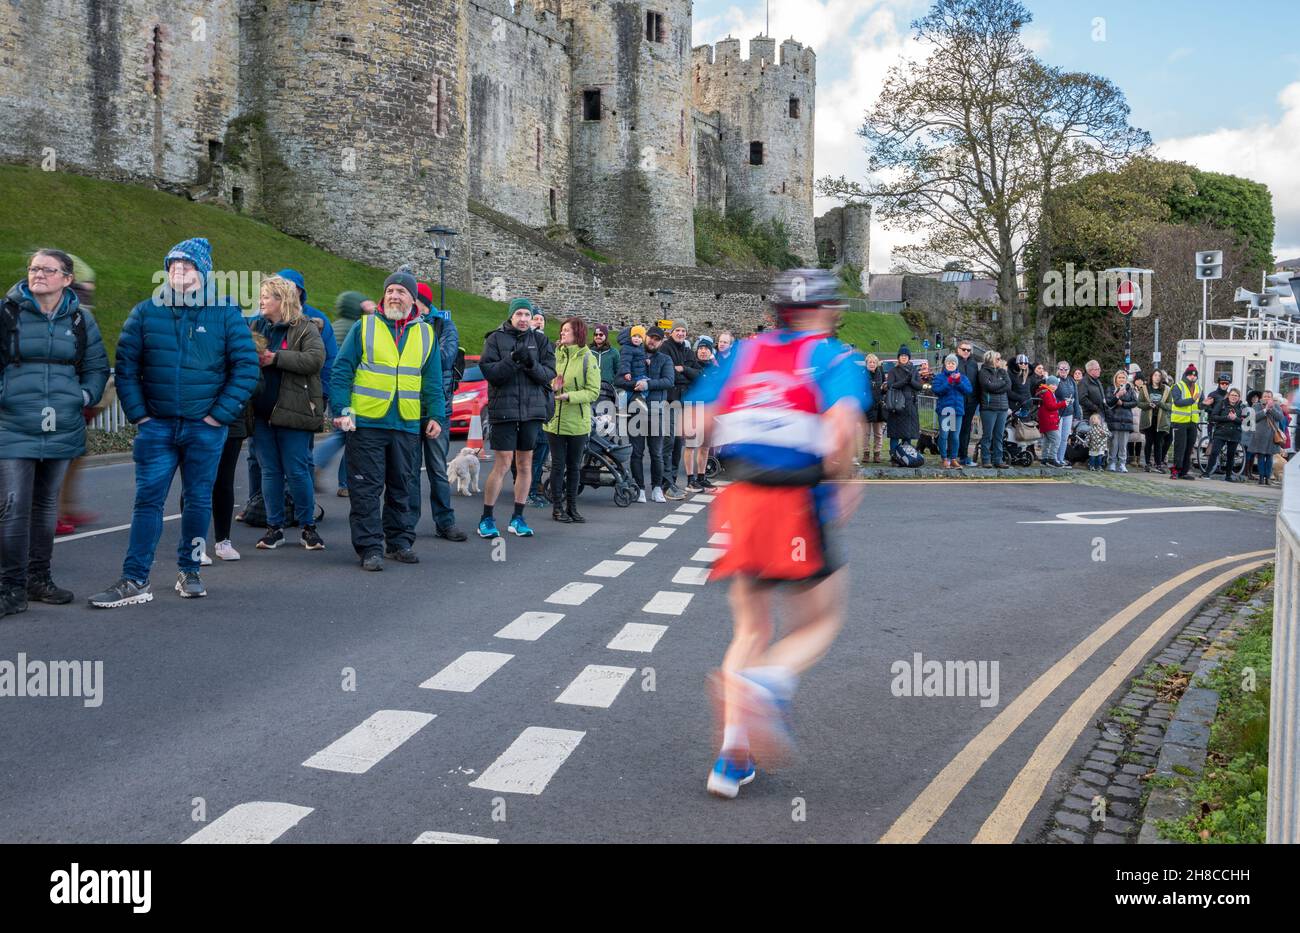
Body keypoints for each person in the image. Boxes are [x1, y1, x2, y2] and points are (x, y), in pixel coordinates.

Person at [689, 269, 867, 799]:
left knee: (749, 629)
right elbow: (839, 430)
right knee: (822, 618)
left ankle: (731, 758)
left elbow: (694, 423)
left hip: (738, 499)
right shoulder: (833, 357)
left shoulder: (742, 353)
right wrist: (844, 477)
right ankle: (766, 686)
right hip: (795, 502)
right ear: (823, 311)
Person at [89, 238, 258, 607]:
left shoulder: (225, 313)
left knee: (198, 501)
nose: (179, 270)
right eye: (173, 265)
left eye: (188, 265)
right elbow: (127, 367)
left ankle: (190, 570)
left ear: (203, 271)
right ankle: (135, 579)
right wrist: (141, 415)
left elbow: (246, 367)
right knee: (147, 500)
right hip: (158, 426)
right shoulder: (146, 312)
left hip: (205, 427)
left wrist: (219, 415)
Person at [1, 249, 109, 615]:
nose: (38, 275)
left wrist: (82, 395)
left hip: (60, 423)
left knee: (46, 505)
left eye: (48, 270)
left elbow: (97, 366)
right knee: (13, 506)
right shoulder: (7, 313)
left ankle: (38, 579)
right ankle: (10, 587)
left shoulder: (80, 320)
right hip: (13, 422)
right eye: (33, 268)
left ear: (66, 279)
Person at [330, 270, 443, 570]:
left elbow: (432, 381)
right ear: (384, 296)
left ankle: (399, 541)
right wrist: (341, 409)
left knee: (402, 486)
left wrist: (436, 415)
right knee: (366, 489)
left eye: (401, 292)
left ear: (412, 299)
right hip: (366, 422)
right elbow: (341, 371)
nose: (394, 295)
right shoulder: (364, 327)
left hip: (406, 423)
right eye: (390, 291)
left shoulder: (426, 333)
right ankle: (370, 548)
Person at [250, 274, 327, 550]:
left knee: (296, 471)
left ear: (282, 300)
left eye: (266, 297)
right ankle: (275, 528)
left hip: (294, 412)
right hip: (261, 413)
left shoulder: (305, 328)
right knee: (269, 472)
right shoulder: (256, 326)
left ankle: (308, 527)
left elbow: (315, 359)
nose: (261, 301)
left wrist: (276, 358)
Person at [477, 298, 556, 538]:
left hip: (532, 411)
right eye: (519, 314)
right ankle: (487, 518)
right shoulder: (495, 339)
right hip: (505, 410)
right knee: (501, 464)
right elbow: (490, 372)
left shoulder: (541, 341)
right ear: (511, 316)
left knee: (525, 464)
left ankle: (518, 517)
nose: (523, 319)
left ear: (533, 318)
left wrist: (531, 364)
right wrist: (512, 360)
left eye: (527, 315)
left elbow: (548, 375)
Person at [407, 282, 468, 543]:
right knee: (407, 471)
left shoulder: (444, 326)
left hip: (437, 409)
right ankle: (406, 524)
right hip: (407, 407)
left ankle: (445, 522)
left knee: (437, 470)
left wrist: (415, 353)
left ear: (421, 302)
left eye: (411, 299)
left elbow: (445, 357)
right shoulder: (404, 325)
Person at [317, 290, 376, 498]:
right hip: (351, 391)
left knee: (346, 435)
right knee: (345, 435)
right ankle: (320, 467)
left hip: (334, 388)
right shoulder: (358, 328)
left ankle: (344, 483)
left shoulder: (335, 326)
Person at [543, 317, 599, 522]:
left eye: (566, 330)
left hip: (577, 421)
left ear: (578, 333)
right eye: (562, 330)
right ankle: (557, 507)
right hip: (554, 419)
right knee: (558, 465)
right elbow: (544, 379)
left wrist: (570, 396)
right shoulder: (555, 354)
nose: (562, 333)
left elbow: (593, 392)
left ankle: (572, 507)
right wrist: (552, 386)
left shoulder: (587, 358)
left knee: (574, 467)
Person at [626, 327, 675, 503]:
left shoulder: (665, 359)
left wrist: (647, 384)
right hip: (636, 410)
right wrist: (634, 383)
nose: (653, 341)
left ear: (661, 342)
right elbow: (621, 377)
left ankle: (656, 488)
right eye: (651, 338)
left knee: (656, 453)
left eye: (657, 339)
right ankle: (639, 488)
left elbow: (669, 381)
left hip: (656, 410)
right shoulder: (633, 355)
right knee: (636, 453)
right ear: (645, 337)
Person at [662, 322, 701, 497]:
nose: (680, 333)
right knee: (669, 442)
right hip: (670, 400)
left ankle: (673, 481)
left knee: (678, 442)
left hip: (684, 400)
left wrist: (684, 369)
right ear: (671, 332)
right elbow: (670, 375)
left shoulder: (687, 350)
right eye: (677, 330)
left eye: (683, 330)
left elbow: (698, 375)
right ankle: (665, 483)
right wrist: (686, 375)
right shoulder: (666, 348)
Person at [684, 337, 719, 489]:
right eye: (700, 349)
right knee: (691, 445)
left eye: (706, 349)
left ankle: (701, 476)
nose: (703, 351)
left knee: (705, 446)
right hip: (693, 408)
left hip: (709, 409)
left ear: (711, 352)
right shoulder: (691, 365)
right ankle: (690, 479)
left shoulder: (715, 368)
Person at [931, 353, 971, 468]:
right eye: (948, 363)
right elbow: (937, 390)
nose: (950, 365)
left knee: (955, 436)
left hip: (957, 411)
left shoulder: (962, 377)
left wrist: (958, 382)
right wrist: (949, 381)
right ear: (945, 364)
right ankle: (944, 458)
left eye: (953, 363)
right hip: (945, 410)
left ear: (956, 365)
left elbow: (968, 390)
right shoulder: (939, 377)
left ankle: (953, 459)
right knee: (944, 435)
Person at [885, 345, 922, 458]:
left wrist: (911, 381)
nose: (904, 357)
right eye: (902, 356)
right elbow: (891, 385)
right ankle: (894, 456)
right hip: (897, 405)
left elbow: (919, 386)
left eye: (906, 356)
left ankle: (907, 457)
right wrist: (905, 381)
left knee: (908, 434)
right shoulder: (893, 371)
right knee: (895, 434)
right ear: (898, 357)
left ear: (909, 357)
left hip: (910, 406)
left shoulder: (914, 371)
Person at [1168, 364, 1203, 480]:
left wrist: (1206, 404)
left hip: (1193, 422)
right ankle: (1175, 470)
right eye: (1190, 375)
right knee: (1180, 447)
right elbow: (1177, 402)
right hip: (1180, 421)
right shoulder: (1178, 386)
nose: (1192, 377)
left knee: (1189, 448)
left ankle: (1184, 471)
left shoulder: (1198, 388)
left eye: (1194, 376)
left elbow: (1200, 404)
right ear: (1185, 375)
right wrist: (1192, 400)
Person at [977, 350, 1011, 469]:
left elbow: (1008, 385)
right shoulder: (983, 372)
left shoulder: (1002, 371)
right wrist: (1000, 384)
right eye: (997, 359)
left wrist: (997, 385)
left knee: (999, 435)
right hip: (989, 408)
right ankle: (986, 459)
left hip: (1002, 408)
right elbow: (988, 386)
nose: (1000, 361)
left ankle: (998, 459)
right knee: (988, 435)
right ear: (990, 359)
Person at [1206, 387, 1247, 483]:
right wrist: (1227, 417)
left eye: (1236, 396)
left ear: (1239, 397)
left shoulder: (1243, 407)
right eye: (1232, 395)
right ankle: (1207, 472)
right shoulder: (1222, 404)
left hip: (1234, 434)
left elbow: (1246, 422)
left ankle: (1228, 476)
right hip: (1221, 433)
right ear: (1229, 396)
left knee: (1231, 455)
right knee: (1214, 452)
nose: (1234, 397)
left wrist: (1235, 419)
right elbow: (1214, 416)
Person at [1247, 390, 1287, 486]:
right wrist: (1265, 410)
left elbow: (1280, 418)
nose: (1267, 398)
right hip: (1259, 436)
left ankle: (1268, 478)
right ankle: (1261, 478)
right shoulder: (1256, 406)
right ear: (1262, 397)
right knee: (1261, 457)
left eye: (1269, 396)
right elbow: (1254, 418)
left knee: (1269, 457)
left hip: (1272, 436)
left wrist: (1271, 409)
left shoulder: (1276, 406)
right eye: (1265, 396)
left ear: (1272, 398)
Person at [1200, 374, 1233, 476]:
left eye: (1226, 384)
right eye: (1222, 383)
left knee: (1222, 447)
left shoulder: (1229, 395)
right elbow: (1205, 407)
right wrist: (1214, 411)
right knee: (1213, 444)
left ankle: (1218, 466)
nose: (1224, 385)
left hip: (1224, 423)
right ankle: (1210, 467)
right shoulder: (1213, 394)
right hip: (1213, 422)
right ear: (1219, 383)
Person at [1104, 369, 1137, 472]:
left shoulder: (1130, 389)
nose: (1121, 379)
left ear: (1126, 379)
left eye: (1123, 377)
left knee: (1123, 444)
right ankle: (1112, 462)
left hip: (1126, 419)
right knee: (1114, 443)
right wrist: (1117, 396)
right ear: (1116, 379)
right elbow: (1108, 402)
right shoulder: (1111, 388)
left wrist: (1123, 404)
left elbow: (1135, 402)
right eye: (1119, 377)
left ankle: (1122, 463)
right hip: (1114, 418)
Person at [955, 340, 981, 465]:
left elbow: (976, 383)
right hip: (956, 401)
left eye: (968, 350)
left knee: (966, 429)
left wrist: (977, 400)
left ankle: (964, 456)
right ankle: (952, 456)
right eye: (963, 349)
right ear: (958, 349)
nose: (966, 352)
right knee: (954, 429)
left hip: (971, 401)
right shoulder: (953, 361)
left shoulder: (973, 364)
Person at [1036, 376, 1067, 467]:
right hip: (1049, 420)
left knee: (1047, 440)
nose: (1054, 386)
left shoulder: (1045, 391)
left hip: (1045, 420)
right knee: (1056, 439)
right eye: (1052, 384)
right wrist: (1063, 403)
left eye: (1056, 385)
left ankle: (1044, 458)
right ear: (1048, 384)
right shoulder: (1048, 393)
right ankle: (1051, 458)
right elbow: (1051, 406)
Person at [617, 325, 650, 412]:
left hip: (640, 373)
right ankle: (622, 405)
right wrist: (626, 372)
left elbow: (643, 355)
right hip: (632, 374)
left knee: (643, 385)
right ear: (630, 337)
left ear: (642, 339)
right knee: (631, 390)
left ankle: (638, 399)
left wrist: (646, 359)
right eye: (634, 336)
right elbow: (625, 361)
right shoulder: (627, 348)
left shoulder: (641, 347)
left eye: (639, 337)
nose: (636, 338)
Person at [1053, 360, 1078, 466]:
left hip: (1069, 412)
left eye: (1065, 369)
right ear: (1058, 369)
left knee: (1064, 438)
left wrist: (1077, 414)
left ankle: (1061, 458)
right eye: (1061, 369)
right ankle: (1053, 458)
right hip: (1058, 412)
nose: (1063, 371)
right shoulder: (1055, 380)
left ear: (1068, 370)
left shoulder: (1071, 381)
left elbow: (1076, 398)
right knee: (1057, 437)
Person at [863, 354, 886, 463]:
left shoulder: (880, 373)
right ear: (866, 364)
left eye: (874, 362)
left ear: (876, 364)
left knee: (878, 433)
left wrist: (885, 389)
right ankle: (866, 453)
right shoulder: (862, 374)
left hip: (878, 406)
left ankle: (877, 453)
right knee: (866, 433)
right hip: (866, 407)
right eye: (870, 362)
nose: (872, 364)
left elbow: (884, 389)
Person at [589, 324, 620, 397]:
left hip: (607, 389)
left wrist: (613, 382)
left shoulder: (613, 352)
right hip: (591, 388)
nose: (598, 336)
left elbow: (618, 370)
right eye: (596, 334)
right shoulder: (588, 352)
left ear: (605, 336)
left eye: (601, 334)